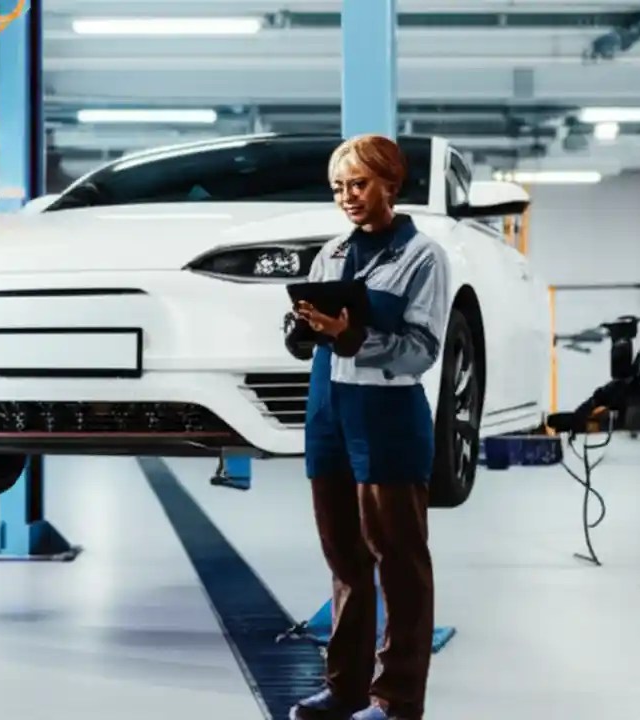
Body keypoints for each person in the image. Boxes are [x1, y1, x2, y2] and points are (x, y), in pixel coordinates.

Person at [287, 134, 451, 720]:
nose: (348, 197)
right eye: (338, 188)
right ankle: (346, 689)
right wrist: (303, 330)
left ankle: (397, 699)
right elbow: (315, 342)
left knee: (399, 563)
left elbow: (420, 351)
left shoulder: (422, 257)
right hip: (328, 413)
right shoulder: (329, 254)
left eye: (358, 184)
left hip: (387, 417)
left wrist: (351, 336)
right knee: (344, 560)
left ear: (390, 183)